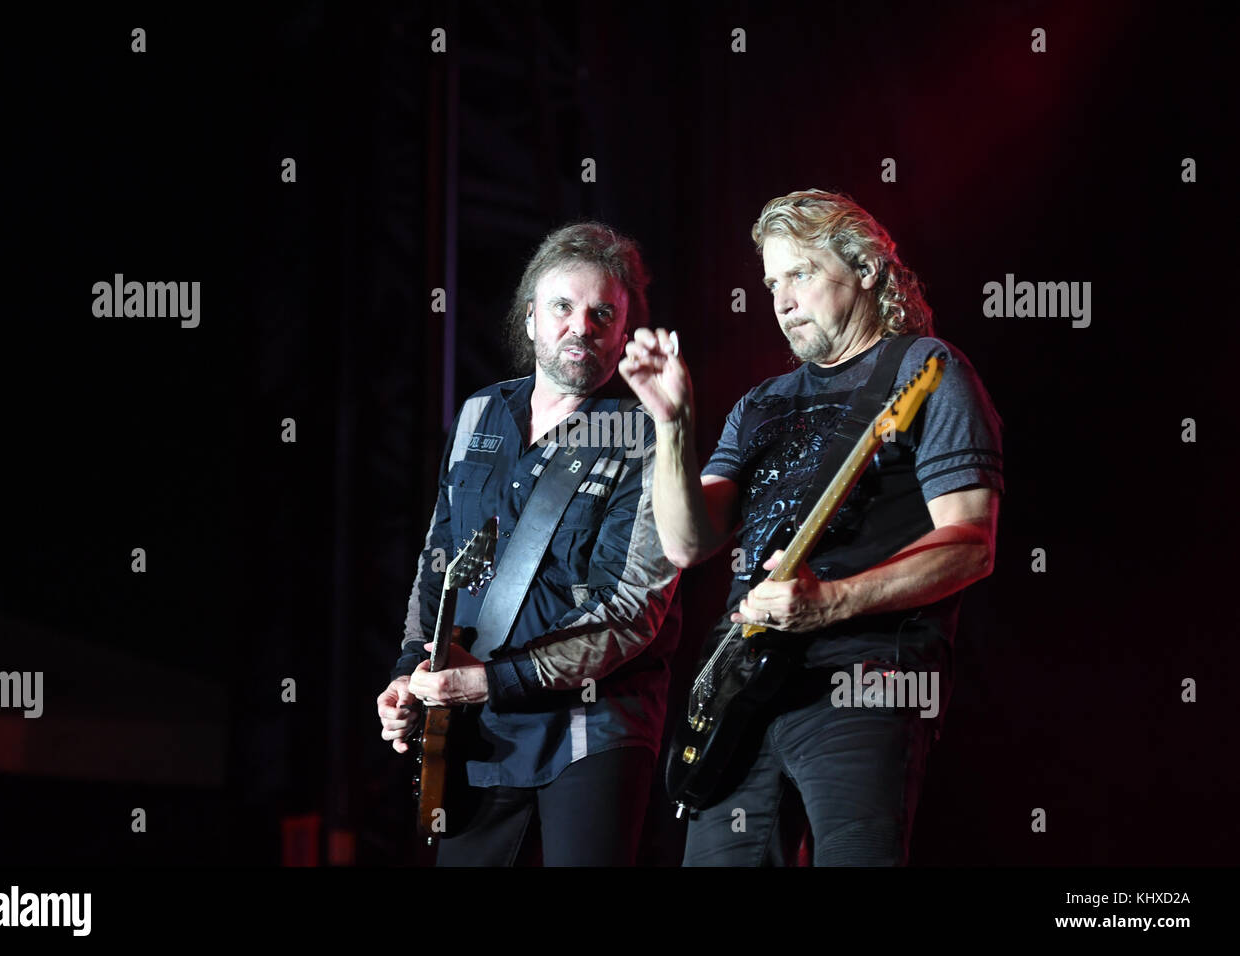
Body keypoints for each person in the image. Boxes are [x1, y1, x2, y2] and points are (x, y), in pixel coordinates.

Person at [620, 189, 1004, 866]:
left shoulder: (926, 369)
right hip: (742, 688)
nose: (781, 299)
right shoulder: (762, 402)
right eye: (771, 282)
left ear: (866, 268)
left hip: (862, 680)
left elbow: (970, 544)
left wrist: (831, 600)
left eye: (800, 273)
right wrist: (672, 425)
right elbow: (686, 542)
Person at [378, 221, 682, 866]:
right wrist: (411, 675)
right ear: (530, 320)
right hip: (474, 727)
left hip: (592, 728)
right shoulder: (480, 414)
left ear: (624, 332)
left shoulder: (643, 434)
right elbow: (439, 559)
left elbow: (632, 613)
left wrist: (491, 680)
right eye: (563, 307)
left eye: (605, 313)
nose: (582, 326)